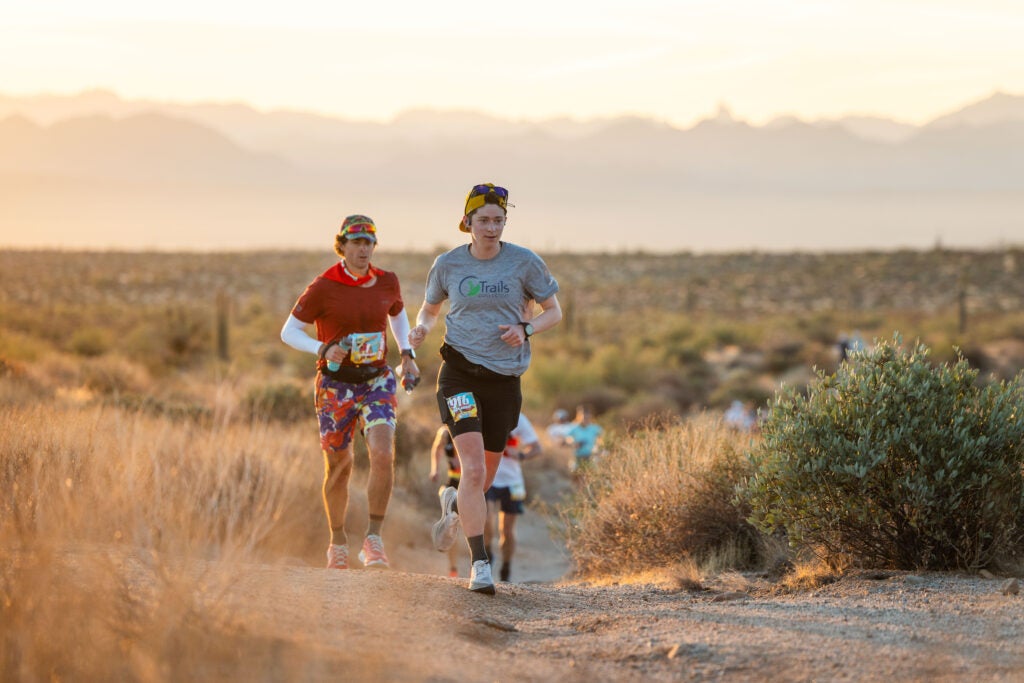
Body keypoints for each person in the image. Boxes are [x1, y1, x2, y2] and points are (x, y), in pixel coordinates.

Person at [408, 182, 562, 595]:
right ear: (468, 223)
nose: (491, 228)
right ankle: (480, 565)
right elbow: (429, 306)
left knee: (484, 478)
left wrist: (525, 328)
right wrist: (422, 326)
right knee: (473, 469)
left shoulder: (525, 263)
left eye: (498, 220)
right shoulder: (448, 264)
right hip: (458, 374)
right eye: (483, 221)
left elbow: (554, 311)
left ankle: (454, 503)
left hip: (504, 381)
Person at [280, 215, 420, 571]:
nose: (363, 249)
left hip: (377, 379)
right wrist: (322, 349)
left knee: (383, 453)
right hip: (335, 385)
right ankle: (338, 541)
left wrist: (407, 354)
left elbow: (398, 315)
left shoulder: (387, 280)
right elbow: (289, 331)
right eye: (356, 242)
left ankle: (373, 539)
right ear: (342, 245)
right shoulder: (323, 286)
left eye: (369, 242)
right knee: (340, 467)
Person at [484, 412, 541, 583]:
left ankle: (506, 568)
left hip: (512, 481)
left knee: (507, 531)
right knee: (486, 522)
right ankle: (486, 558)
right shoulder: (485, 412)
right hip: (488, 478)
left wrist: (521, 455)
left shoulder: (519, 418)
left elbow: (537, 448)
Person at [429, 425, 462, 577]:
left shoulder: (477, 427)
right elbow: (436, 448)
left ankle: (484, 560)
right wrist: (435, 469)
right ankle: (453, 569)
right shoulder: (445, 432)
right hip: (454, 483)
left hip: (473, 485)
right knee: (452, 525)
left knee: (479, 525)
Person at [567, 404, 603, 473]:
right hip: (577, 456)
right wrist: (573, 442)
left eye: (587, 417)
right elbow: (567, 437)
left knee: (595, 472)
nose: (585, 419)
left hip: (591, 456)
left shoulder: (595, 428)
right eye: (583, 417)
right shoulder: (574, 427)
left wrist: (599, 447)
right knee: (574, 472)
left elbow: (603, 438)